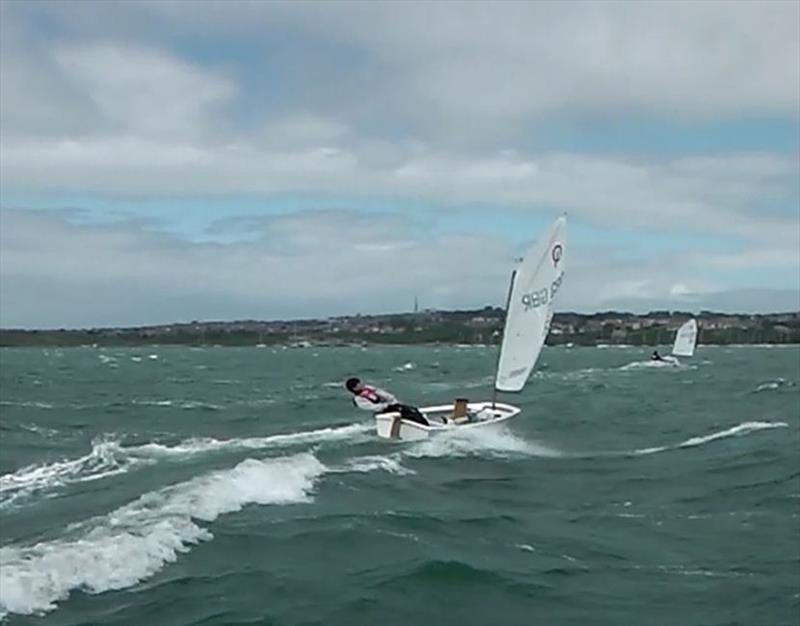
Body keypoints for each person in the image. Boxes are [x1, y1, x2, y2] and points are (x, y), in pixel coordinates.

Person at [344, 377, 429, 426]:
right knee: (407, 413)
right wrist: (385, 406)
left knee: (412, 410)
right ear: (354, 388)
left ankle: (425, 423)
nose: (362, 384)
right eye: (359, 384)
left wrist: (391, 401)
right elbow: (372, 407)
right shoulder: (359, 399)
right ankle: (420, 425)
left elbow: (387, 396)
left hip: (392, 406)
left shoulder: (370, 389)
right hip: (384, 411)